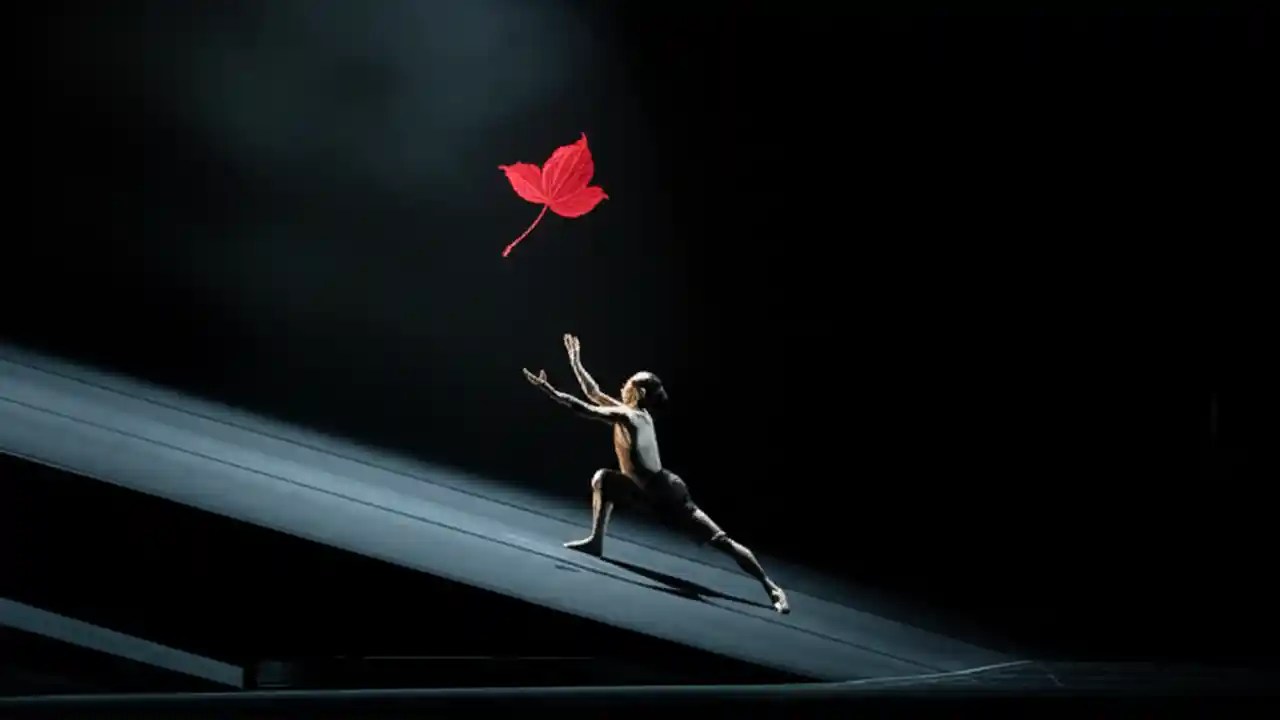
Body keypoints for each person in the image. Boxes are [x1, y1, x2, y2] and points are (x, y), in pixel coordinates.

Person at [522, 334, 790, 614]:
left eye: (633, 382)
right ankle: (596, 542)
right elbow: (593, 393)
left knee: (720, 541)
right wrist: (575, 361)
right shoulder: (628, 412)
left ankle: (771, 587)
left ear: (639, 392)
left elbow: (585, 408)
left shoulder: (632, 417)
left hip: (667, 494)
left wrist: (550, 392)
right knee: (603, 479)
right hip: (642, 491)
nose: (626, 383)